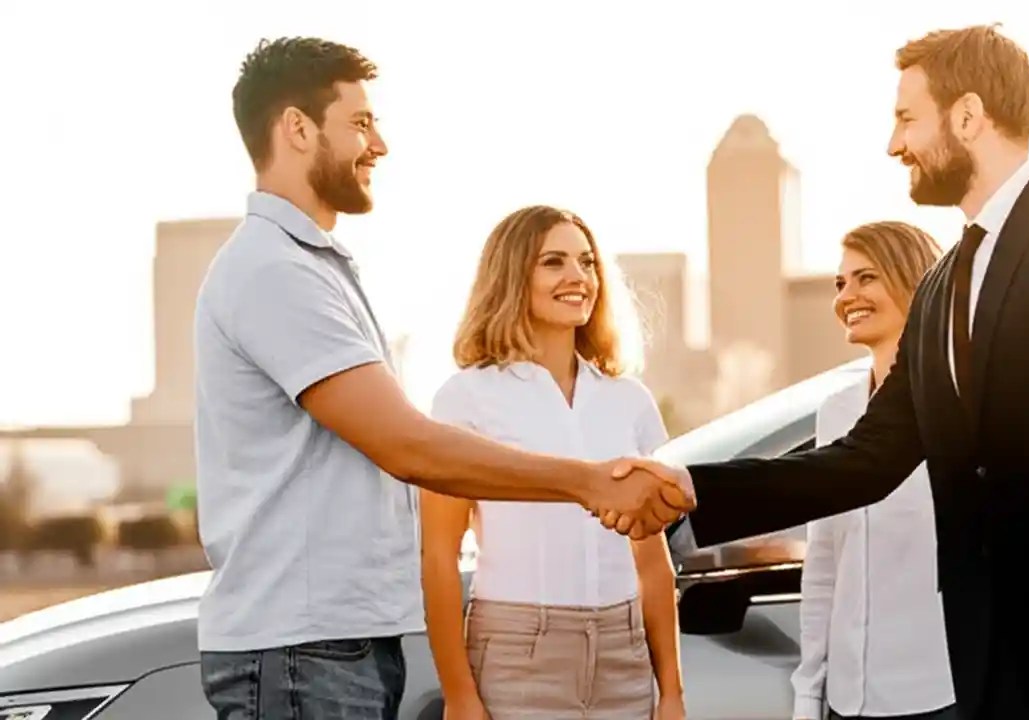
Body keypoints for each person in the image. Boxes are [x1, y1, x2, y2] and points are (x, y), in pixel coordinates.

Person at [608, 24, 1029, 720]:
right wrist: (693, 487)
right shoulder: (938, 289)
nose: (894, 144)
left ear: (967, 116)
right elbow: (866, 459)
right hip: (984, 667)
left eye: (906, 118)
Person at [195, 38, 690, 720]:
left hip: (332, 646)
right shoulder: (275, 272)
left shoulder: (313, 268)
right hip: (301, 653)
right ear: (297, 129)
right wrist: (584, 480)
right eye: (360, 123)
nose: (381, 145)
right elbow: (409, 448)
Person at [420, 205, 685, 720]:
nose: (577, 277)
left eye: (587, 263)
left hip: (623, 656)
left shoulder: (629, 400)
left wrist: (670, 690)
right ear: (512, 275)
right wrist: (459, 695)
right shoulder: (466, 398)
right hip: (518, 654)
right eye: (554, 262)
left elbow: (652, 561)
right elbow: (438, 556)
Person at [791, 221, 954, 720]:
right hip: (848, 699)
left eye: (866, 278)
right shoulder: (836, 412)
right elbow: (823, 564)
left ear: (913, 280)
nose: (847, 296)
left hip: (940, 694)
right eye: (841, 283)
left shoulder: (961, 406)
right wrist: (809, 692)